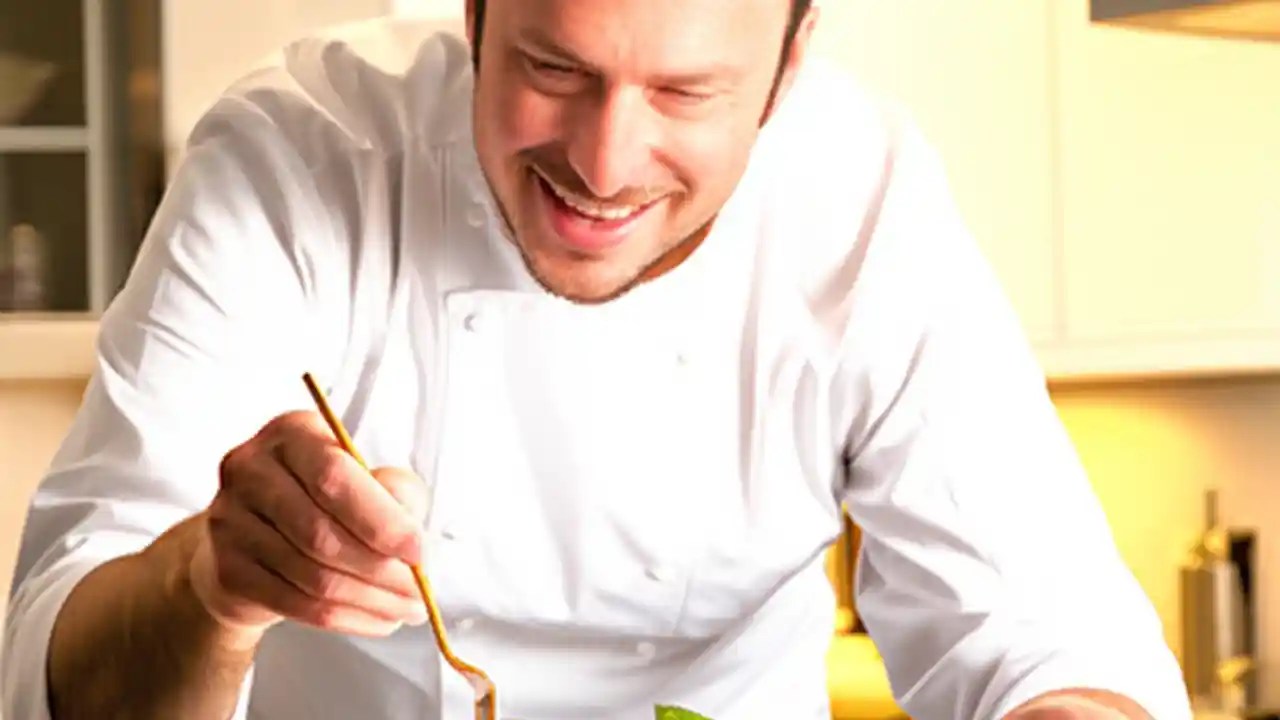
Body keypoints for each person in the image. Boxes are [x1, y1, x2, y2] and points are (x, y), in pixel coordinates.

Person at [2, 1, 1192, 718]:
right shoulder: (298, 162)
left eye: (684, 91)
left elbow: (1039, 628)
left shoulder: (860, 197)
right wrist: (205, 588)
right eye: (552, 69)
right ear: (471, 14)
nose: (605, 165)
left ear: (788, 61)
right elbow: (55, 673)